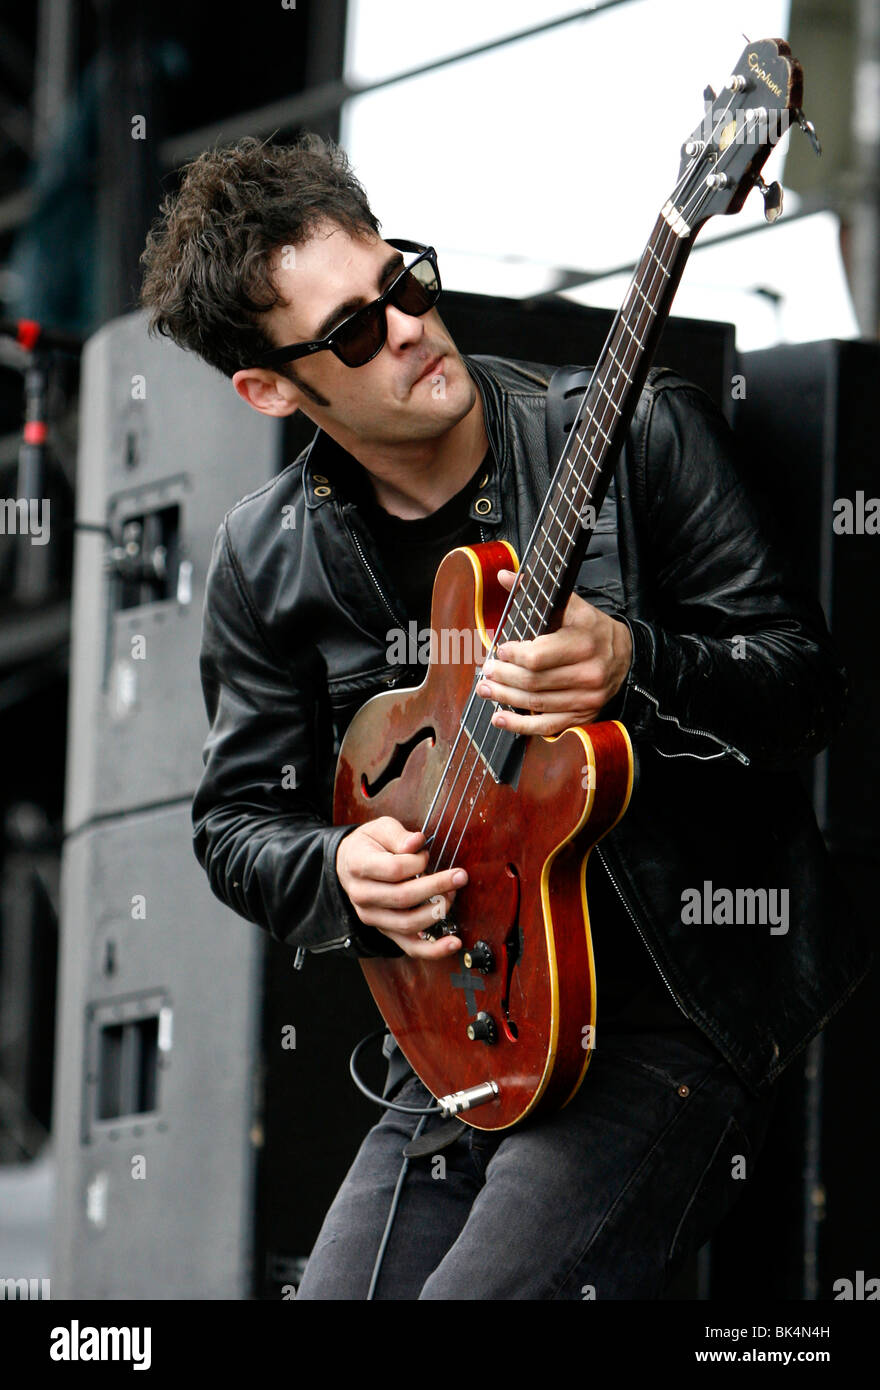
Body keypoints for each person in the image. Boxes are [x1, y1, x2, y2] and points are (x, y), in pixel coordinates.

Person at [139, 134, 871, 1300]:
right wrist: (339, 871)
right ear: (272, 389)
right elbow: (235, 824)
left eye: (405, 283)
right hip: (453, 1046)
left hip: (664, 1020)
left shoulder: (637, 434)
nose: (412, 328)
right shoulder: (265, 560)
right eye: (352, 333)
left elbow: (808, 693)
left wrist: (641, 661)